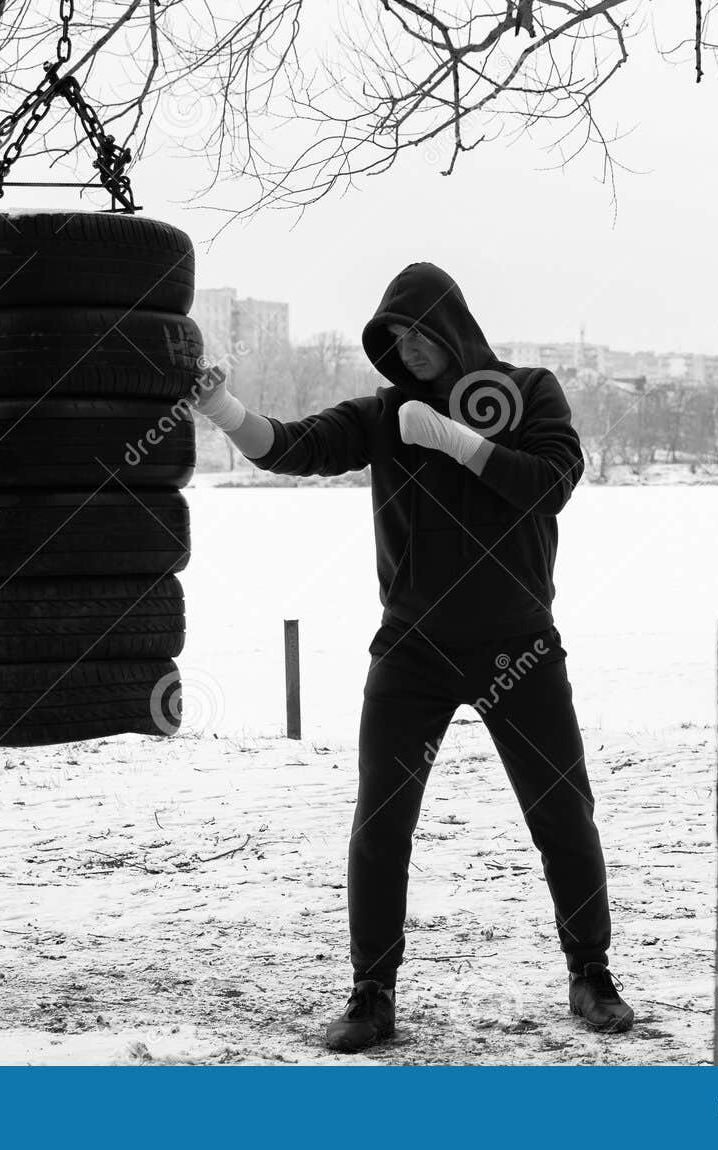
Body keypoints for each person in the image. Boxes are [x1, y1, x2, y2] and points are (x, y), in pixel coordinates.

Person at [190, 262, 632, 1053]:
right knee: (381, 824)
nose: (408, 351)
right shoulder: (385, 414)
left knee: (563, 814)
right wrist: (219, 407)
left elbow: (552, 483)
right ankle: (372, 994)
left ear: (451, 324)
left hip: (519, 646)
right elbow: (289, 447)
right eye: (393, 340)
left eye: (418, 334)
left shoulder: (530, 391)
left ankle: (591, 975)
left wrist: (459, 442)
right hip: (413, 649)